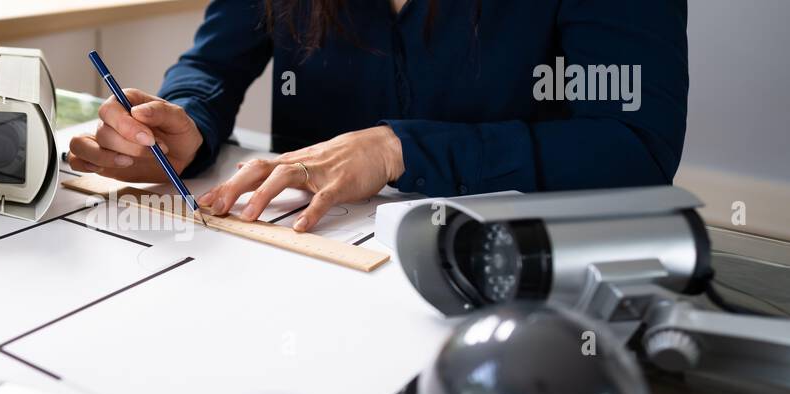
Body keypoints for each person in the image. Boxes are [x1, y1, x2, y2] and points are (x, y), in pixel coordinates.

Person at [66, 0, 688, 232]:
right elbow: (213, 65)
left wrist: (399, 150)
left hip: (509, 272)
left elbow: (634, 146)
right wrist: (188, 123)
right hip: (304, 268)